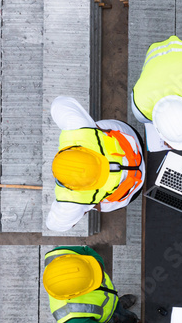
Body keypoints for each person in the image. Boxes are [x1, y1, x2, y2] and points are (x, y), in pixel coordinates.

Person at [46, 96, 145, 232]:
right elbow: (58, 103)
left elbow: (54, 225)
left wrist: (84, 206)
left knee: (90, 205)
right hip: (134, 144)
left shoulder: (73, 199)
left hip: (134, 188)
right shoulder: (78, 132)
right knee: (95, 128)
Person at [42, 245, 150, 323]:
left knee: (118, 306)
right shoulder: (72, 321)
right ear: (76, 294)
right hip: (108, 315)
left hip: (107, 296)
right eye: (94, 279)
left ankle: (118, 304)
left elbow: (87, 251)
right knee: (124, 318)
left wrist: (98, 264)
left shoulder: (58, 254)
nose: (100, 275)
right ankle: (129, 321)